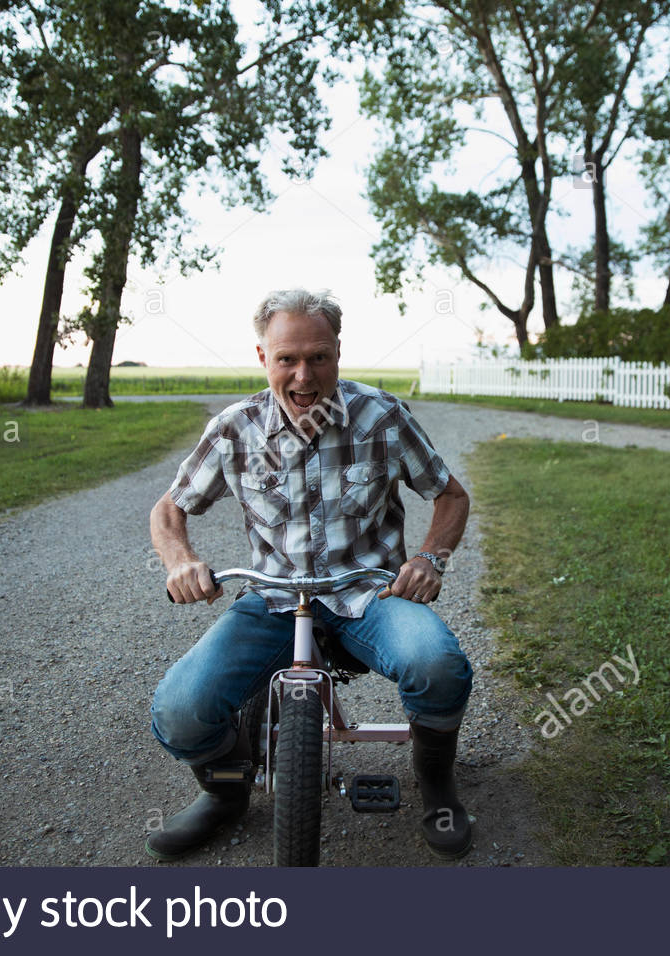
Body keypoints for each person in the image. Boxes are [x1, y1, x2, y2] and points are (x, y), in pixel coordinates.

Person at [146, 288, 474, 862]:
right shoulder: (235, 428)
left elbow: (449, 494)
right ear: (262, 358)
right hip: (272, 599)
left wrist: (429, 558)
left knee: (437, 664)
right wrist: (180, 560)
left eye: (319, 357)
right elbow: (170, 507)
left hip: (369, 593)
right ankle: (226, 794)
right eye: (287, 359)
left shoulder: (383, 416)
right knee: (181, 709)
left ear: (339, 353)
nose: (304, 375)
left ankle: (438, 786)